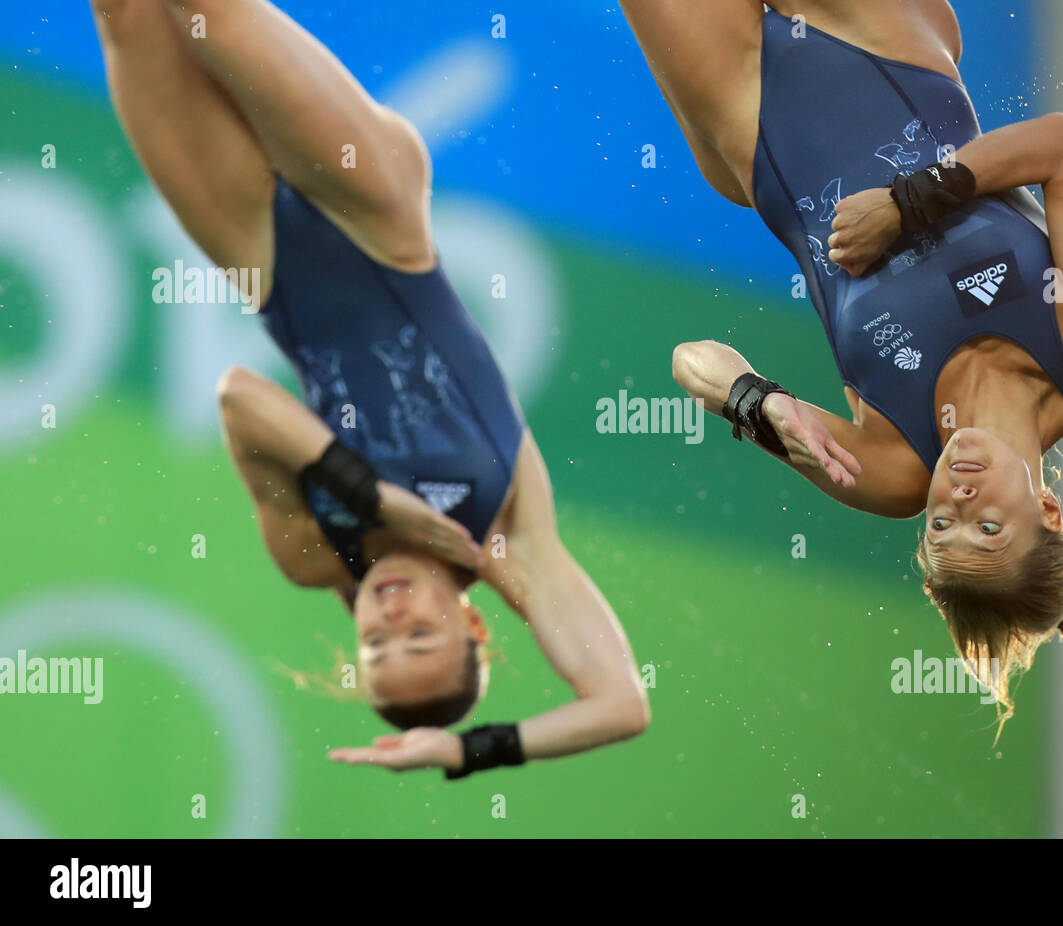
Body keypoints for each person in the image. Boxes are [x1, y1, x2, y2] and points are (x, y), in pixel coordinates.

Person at [90, 0, 649, 777]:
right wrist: (465, 752)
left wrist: (373, 499)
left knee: (124, 14)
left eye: (376, 646)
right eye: (420, 635)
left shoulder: (319, 554)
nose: (390, 619)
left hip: (261, 256)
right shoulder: (506, 537)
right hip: (377, 216)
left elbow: (240, 396)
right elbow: (624, 705)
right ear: (473, 627)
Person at [620, 0, 1063, 726]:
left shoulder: (894, 468)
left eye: (940, 532)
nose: (957, 506)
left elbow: (692, 363)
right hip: (891, 48)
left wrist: (757, 405)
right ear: (1048, 512)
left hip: (753, 126)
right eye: (989, 529)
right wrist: (912, 201)